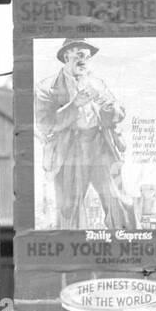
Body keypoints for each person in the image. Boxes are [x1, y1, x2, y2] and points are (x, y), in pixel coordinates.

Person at [35, 40, 136, 230]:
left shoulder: (97, 84)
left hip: (100, 146)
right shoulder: (46, 87)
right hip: (69, 151)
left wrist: (103, 101)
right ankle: (73, 254)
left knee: (119, 201)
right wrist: (74, 105)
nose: (84, 61)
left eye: (87, 57)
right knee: (69, 210)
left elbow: (118, 115)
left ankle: (130, 248)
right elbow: (45, 124)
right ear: (66, 56)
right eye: (80, 55)